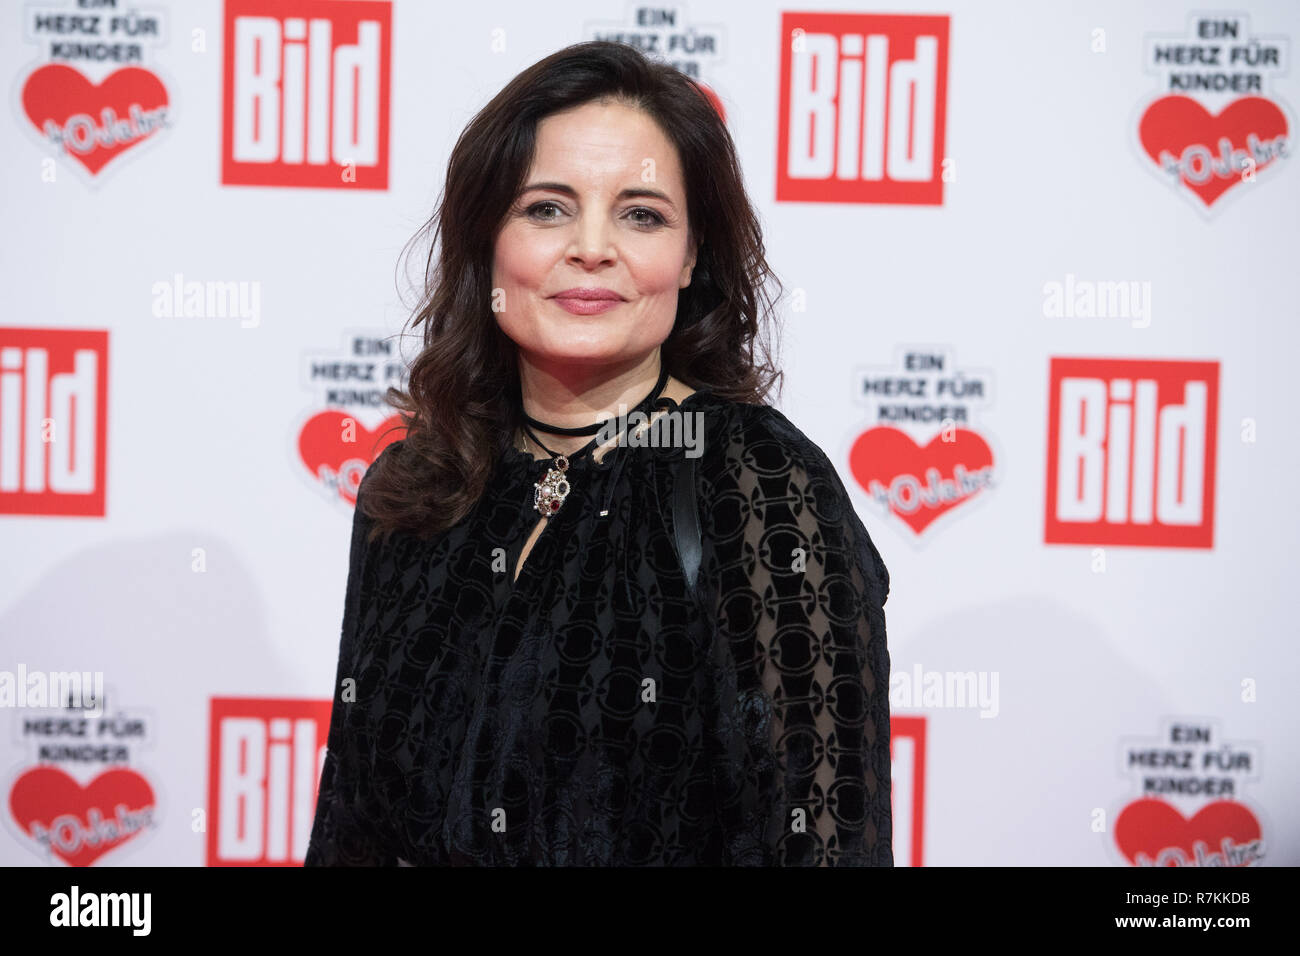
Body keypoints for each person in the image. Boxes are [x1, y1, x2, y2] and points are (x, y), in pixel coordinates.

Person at [304, 40, 892, 866]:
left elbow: (825, 843)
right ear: (487, 238)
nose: (591, 247)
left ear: (691, 256)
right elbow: (350, 820)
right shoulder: (417, 483)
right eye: (546, 207)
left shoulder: (757, 482)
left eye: (641, 214)